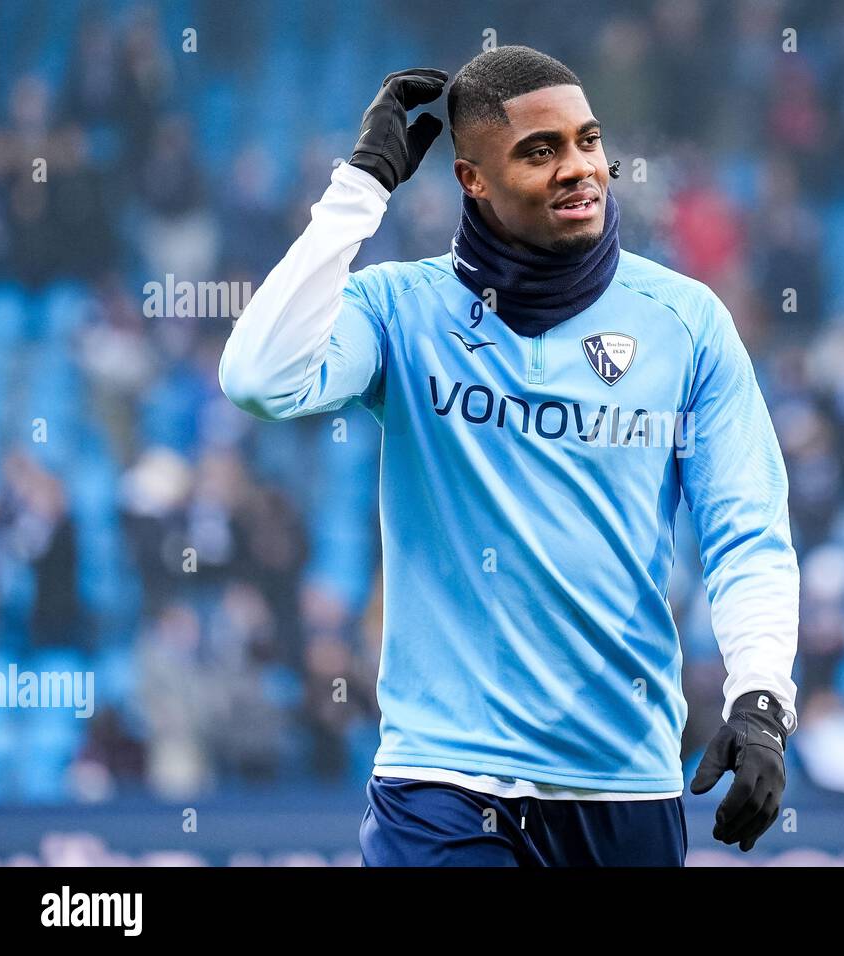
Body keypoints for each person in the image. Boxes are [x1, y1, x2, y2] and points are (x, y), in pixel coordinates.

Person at [218, 45, 799, 866]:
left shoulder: (687, 322)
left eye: (588, 141)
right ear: (472, 180)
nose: (580, 168)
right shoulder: (400, 310)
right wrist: (359, 191)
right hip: (442, 780)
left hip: (623, 783)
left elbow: (748, 534)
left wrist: (762, 698)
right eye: (541, 150)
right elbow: (259, 379)